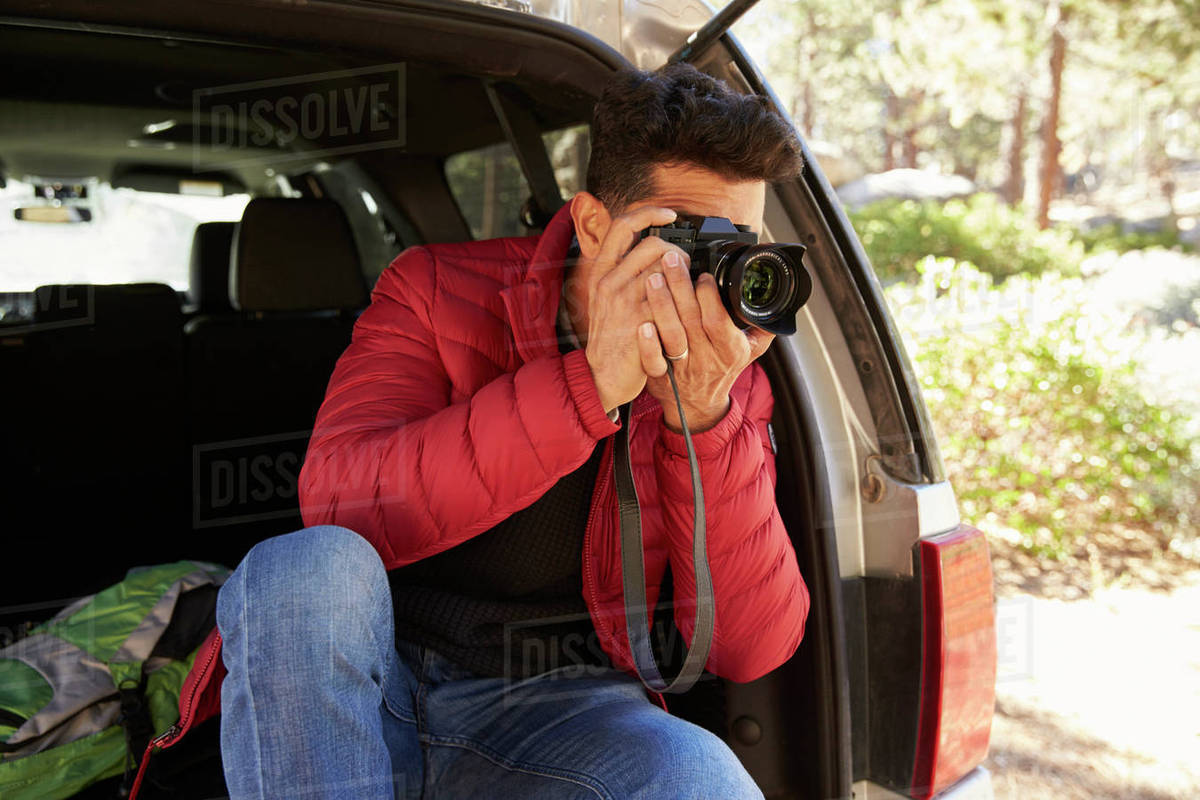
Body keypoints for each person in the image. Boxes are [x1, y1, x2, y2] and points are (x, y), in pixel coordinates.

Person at [215, 63, 810, 800]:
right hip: (372, 681)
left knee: (703, 779)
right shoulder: (433, 290)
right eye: (686, 238)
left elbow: (751, 646)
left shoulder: (725, 372)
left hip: (560, 713)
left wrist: (706, 420)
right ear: (595, 226)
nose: (703, 278)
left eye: (734, 246)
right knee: (303, 568)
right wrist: (587, 386)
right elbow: (335, 505)